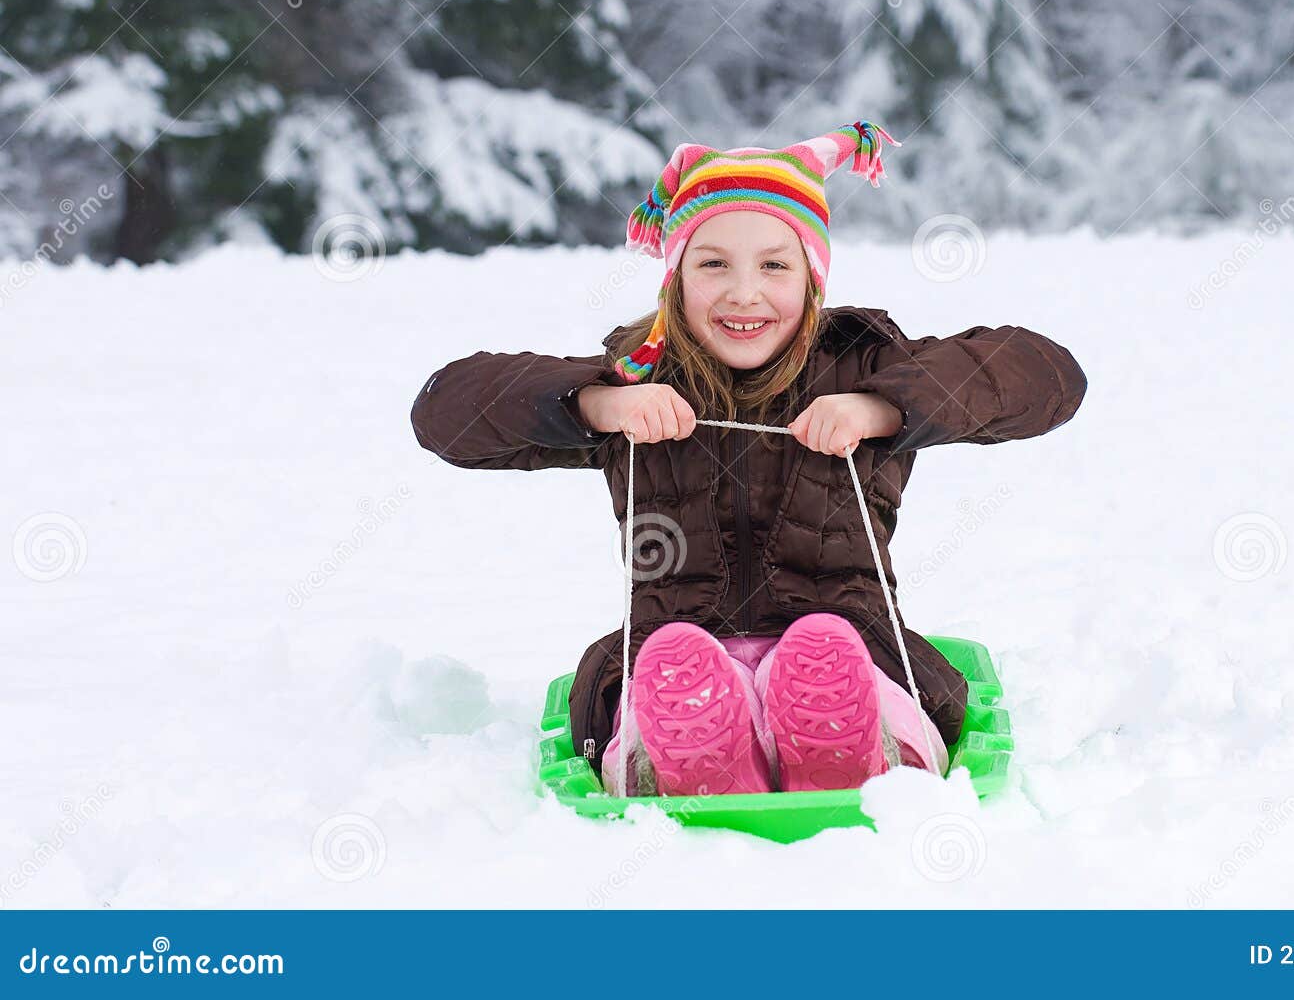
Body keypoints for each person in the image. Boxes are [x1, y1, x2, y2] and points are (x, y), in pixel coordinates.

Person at [410, 121, 1087, 797]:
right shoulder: (635, 380)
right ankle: (697, 756)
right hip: (677, 654)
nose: (743, 292)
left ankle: (856, 752)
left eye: (774, 264)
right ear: (675, 279)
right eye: (712, 264)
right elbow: (444, 412)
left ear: (812, 277)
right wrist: (594, 404)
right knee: (672, 681)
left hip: (850, 646)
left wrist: (882, 408)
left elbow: (1048, 377)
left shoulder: (864, 366)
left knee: (839, 664)